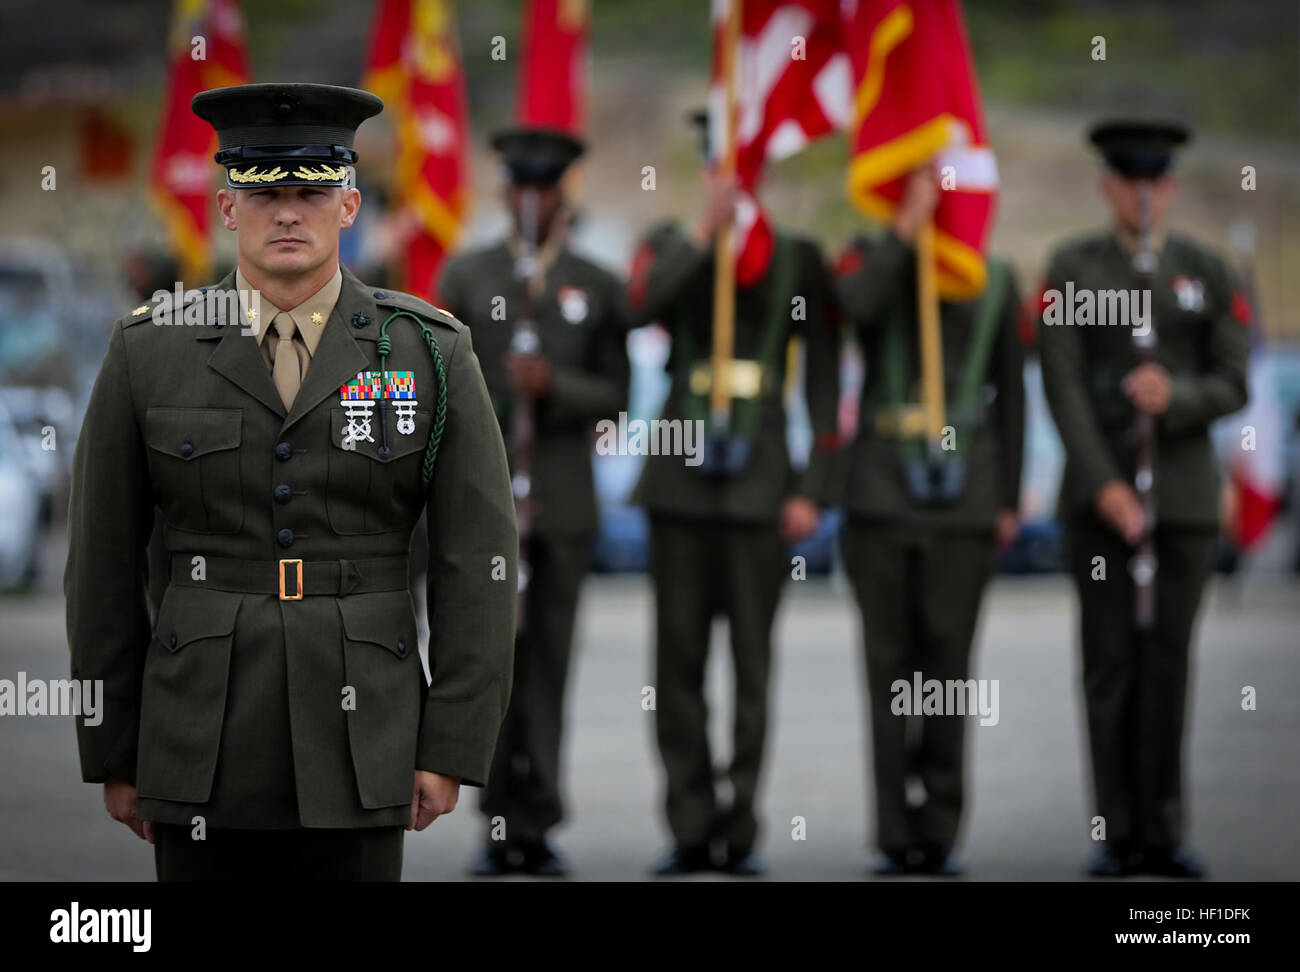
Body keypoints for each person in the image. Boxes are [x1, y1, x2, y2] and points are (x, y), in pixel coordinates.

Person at [64, 82, 517, 882]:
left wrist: (450, 745)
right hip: (196, 738)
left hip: (363, 739)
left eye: (310, 192)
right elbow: (100, 568)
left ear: (349, 205)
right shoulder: (148, 350)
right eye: (261, 192)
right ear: (227, 206)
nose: (286, 213)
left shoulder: (428, 352)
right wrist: (115, 747)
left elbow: (476, 563)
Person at [626, 118, 842, 876]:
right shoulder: (670, 237)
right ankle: (690, 822)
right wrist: (702, 228)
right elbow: (641, 309)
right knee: (677, 665)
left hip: (762, 490)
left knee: (753, 667)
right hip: (680, 485)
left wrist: (816, 485)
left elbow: (822, 373)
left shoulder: (798, 257)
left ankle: (742, 826)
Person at [1037, 120, 1249, 878]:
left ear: (1173, 187)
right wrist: (1107, 486)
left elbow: (1235, 381)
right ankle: (1114, 827)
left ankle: (1163, 828)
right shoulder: (1072, 268)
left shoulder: (1205, 271)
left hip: (1182, 504)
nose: (1144, 195)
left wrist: (1178, 395)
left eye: (1156, 182)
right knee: (1108, 666)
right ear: (1108, 187)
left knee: (1168, 665)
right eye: (1130, 181)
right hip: (1103, 505)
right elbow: (1060, 383)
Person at [437, 127, 630, 877]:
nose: (529, 202)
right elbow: (441, 382)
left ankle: (539, 819)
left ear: (560, 198)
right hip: (488, 507)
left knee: (549, 668)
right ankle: (495, 821)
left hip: (565, 508)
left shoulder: (597, 282)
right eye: (518, 188)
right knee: (493, 666)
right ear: (501, 193)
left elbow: (616, 394)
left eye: (543, 190)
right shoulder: (469, 273)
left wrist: (557, 386)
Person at [834, 166, 1025, 877]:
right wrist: (904, 226)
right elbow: (850, 304)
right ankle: (892, 831)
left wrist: (1005, 499)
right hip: (882, 495)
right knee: (886, 669)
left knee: (948, 668)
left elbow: (1013, 398)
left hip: (965, 501)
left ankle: (940, 827)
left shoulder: (994, 278)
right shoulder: (874, 253)